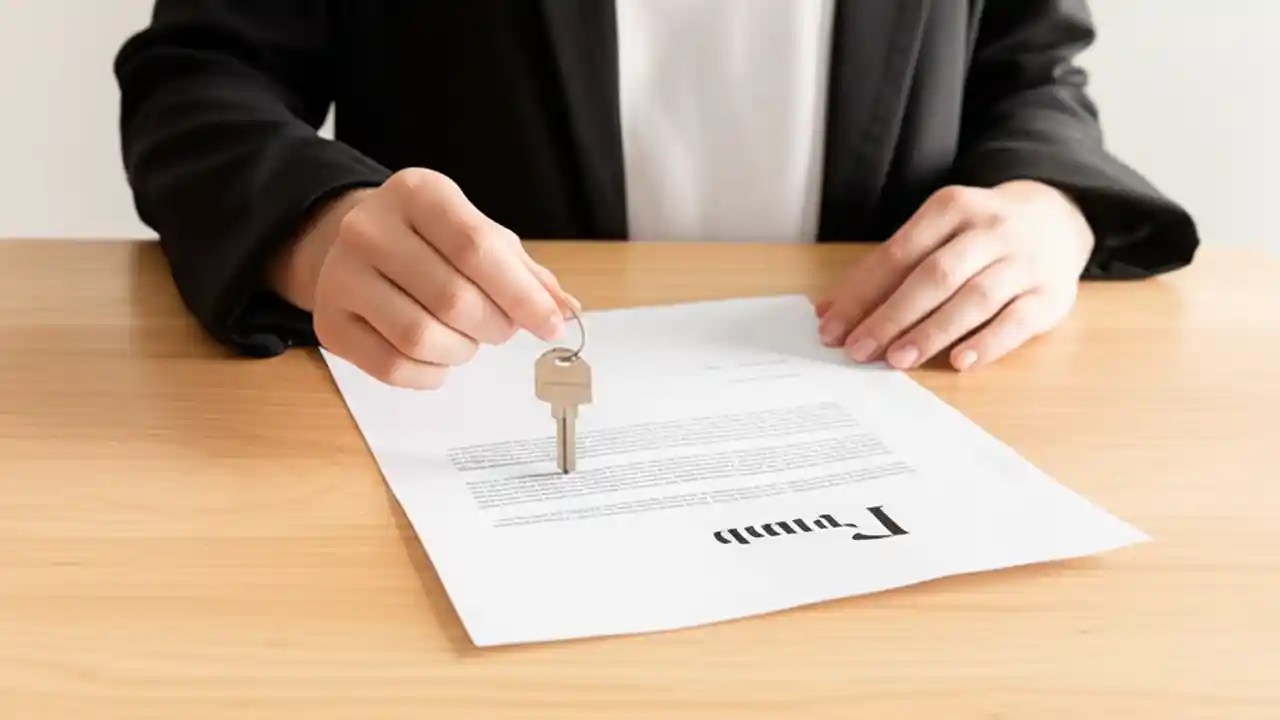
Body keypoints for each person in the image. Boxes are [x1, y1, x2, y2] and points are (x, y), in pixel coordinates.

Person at [113, 0, 1197, 389]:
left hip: (883, 398)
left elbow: (1029, 73)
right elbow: (202, 76)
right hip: (450, 409)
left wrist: (1046, 208)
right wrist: (313, 223)